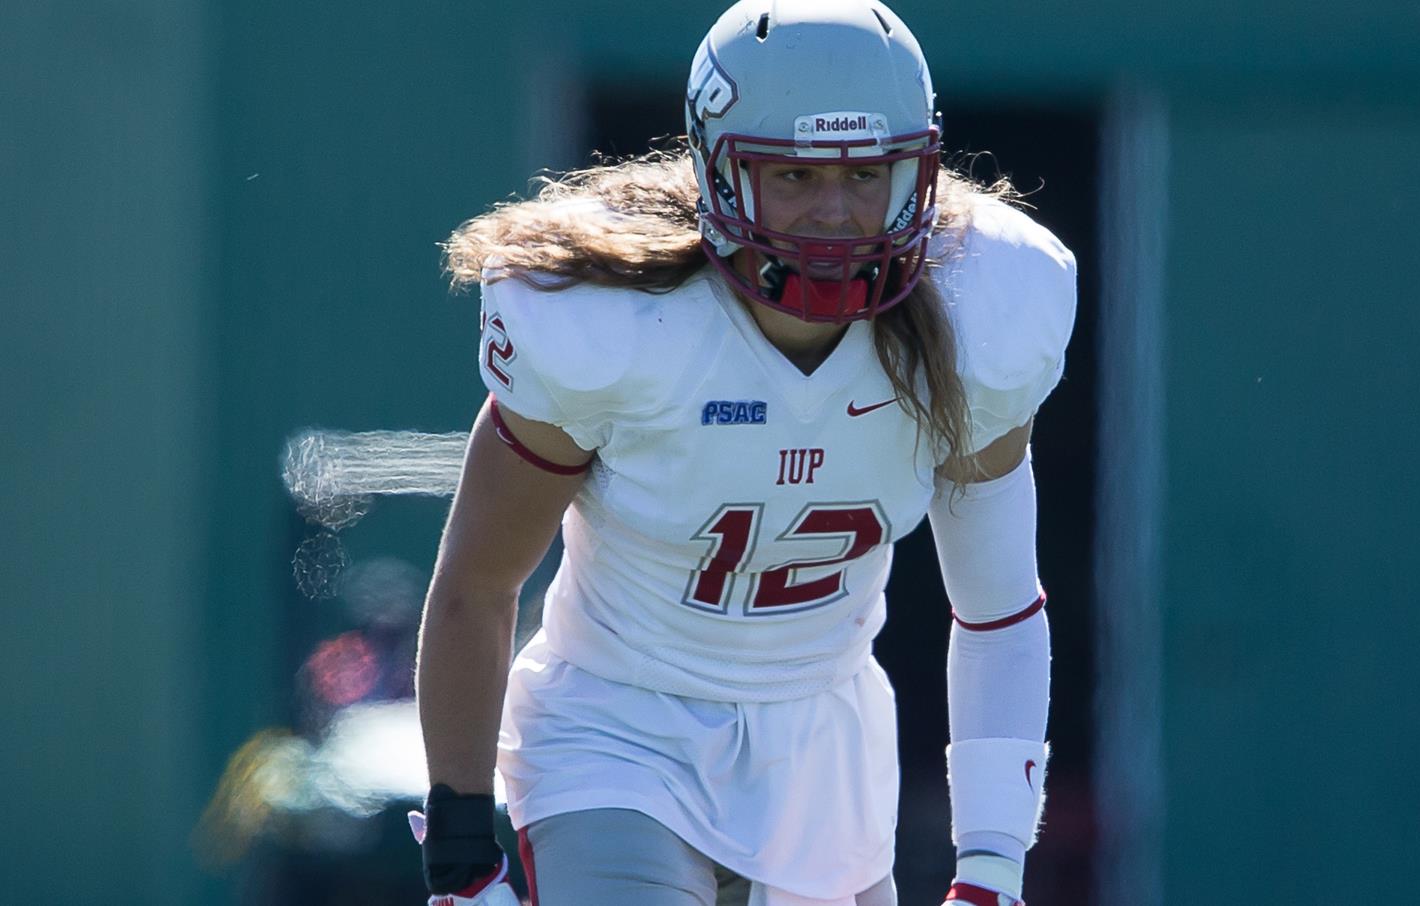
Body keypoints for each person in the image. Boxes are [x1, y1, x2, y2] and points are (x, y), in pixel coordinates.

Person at [411, 1, 1076, 904]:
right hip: (617, 728)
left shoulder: (982, 313)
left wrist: (992, 864)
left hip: (825, 749)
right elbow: (477, 585)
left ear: (918, 171)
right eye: (795, 175)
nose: (837, 214)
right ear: (721, 176)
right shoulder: (614, 325)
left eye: (869, 174)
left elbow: (997, 609)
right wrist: (459, 851)